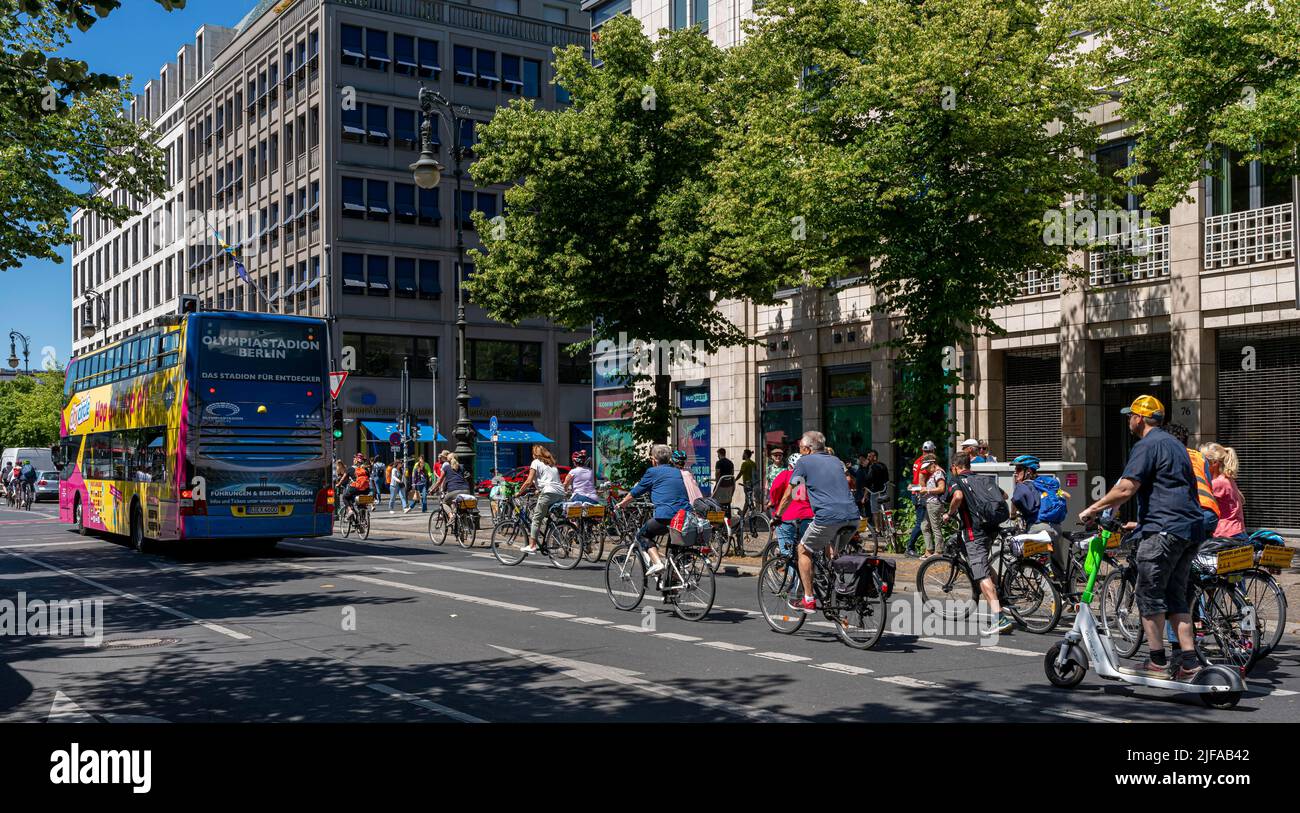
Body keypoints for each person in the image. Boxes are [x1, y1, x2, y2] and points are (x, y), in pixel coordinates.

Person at [1079, 395, 1205, 680]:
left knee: (1148, 594)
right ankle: (1188, 661)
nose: (1128, 420)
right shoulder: (1176, 445)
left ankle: (1157, 662)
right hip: (1189, 530)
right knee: (1177, 597)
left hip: (1162, 529)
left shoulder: (1146, 445)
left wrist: (1092, 509)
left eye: (1130, 415)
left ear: (1139, 418)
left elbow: (1126, 488)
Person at [774, 431, 861, 612]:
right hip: (852, 517)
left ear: (807, 449)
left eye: (800, 448)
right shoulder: (836, 460)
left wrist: (777, 515)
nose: (800, 451)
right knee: (833, 552)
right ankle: (838, 587)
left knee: (803, 550)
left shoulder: (803, 462)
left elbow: (790, 493)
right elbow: (850, 481)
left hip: (827, 517)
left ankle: (808, 598)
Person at [942, 453, 1015, 634]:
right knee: (983, 563)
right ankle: (1000, 594)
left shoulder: (957, 480)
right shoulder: (982, 479)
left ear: (955, 467)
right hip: (992, 528)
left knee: (980, 573)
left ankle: (999, 617)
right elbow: (1004, 495)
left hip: (974, 531)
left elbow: (957, 497)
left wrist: (949, 514)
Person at [616, 444, 691, 578]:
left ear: (655, 460)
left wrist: (622, 504)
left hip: (666, 515)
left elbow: (636, 491)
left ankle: (657, 563)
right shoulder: (676, 471)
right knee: (673, 549)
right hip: (684, 515)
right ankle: (673, 581)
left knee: (642, 535)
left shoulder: (652, 472)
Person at [1166, 423, 1221, 540]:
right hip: (1211, 513)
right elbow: (1208, 483)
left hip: (1191, 513)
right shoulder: (1199, 456)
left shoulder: (1169, 455)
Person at [518, 445, 567, 555]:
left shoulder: (535, 462)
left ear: (535, 454)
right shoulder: (551, 464)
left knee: (536, 518)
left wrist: (519, 492)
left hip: (548, 493)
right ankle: (555, 538)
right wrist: (538, 490)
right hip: (560, 493)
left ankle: (532, 546)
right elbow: (550, 481)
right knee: (549, 517)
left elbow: (528, 481)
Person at [768, 452, 812, 557]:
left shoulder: (785, 474)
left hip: (789, 517)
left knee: (787, 553)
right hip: (809, 516)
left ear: (790, 465)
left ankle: (793, 572)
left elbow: (775, 490)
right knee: (806, 551)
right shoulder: (810, 477)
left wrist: (773, 502)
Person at [1200, 443, 1245, 540]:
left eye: (1204, 461)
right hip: (1237, 532)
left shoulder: (1218, 483)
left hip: (1225, 535)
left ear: (1214, 463)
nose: (1201, 464)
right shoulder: (1227, 479)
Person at [905, 440, 937, 557]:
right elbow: (921, 481)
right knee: (921, 523)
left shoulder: (918, 460)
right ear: (933, 451)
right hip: (920, 495)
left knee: (923, 523)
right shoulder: (926, 462)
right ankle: (909, 547)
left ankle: (924, 549)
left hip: (916, 493)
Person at [918, 455, 946, 556]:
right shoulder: (934, 473)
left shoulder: (939, 473)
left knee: (935, 528)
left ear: (933, 464)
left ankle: (938, 551)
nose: (926, 470)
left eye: (927, 467)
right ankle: (929, 549)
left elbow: (941, 488)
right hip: (930, 502)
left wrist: (927, 490)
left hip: (935, 503)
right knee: (924, 526)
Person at [860, 450, 890, 532]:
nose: (868, 458)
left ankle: (878, 529)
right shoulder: (883, 465)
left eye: (869, 456)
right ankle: (887, 527)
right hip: (883, 491)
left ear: (875, 457)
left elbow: (868, 482)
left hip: (874, 493)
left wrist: (865, 496)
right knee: (884, 510)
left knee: (875, 512)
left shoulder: (871, 467)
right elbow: (887, 479)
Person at [340, 454, 370, 521]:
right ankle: (362, 522)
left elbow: (344, 479)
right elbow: (369, 477)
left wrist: (338, 484)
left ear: (355, 460)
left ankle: (350, 510)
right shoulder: (366, 469)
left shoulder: (350, 469)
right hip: (366, 489)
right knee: (361, 503)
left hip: (356, 488)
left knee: (345, 497)